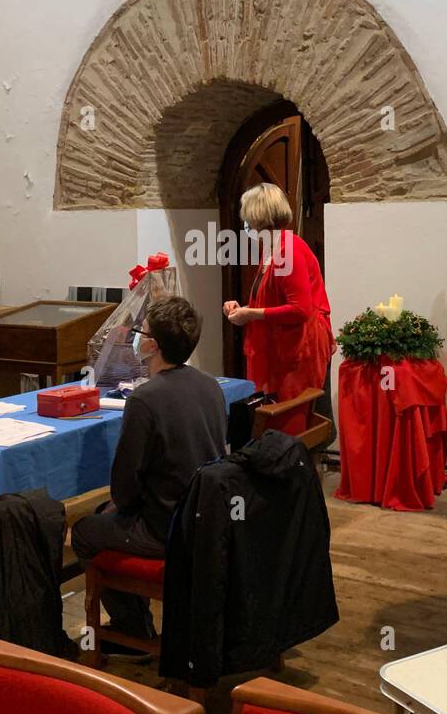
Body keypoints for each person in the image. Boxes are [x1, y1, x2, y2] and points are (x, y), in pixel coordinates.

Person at [71, 296, 226, 657]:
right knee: (102, 514)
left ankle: (132, 629)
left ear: (152, 344)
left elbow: (125, 487)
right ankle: (134, 621)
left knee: (82, 532)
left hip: (165, 527)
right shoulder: (210, 386)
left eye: (141, 332)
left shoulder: (145, 399)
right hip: (205, 517)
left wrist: (116, 507)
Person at [223, 182, 335, 435]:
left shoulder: (289, 250)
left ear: (257, 215)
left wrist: (250, 314)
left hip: (296, 352)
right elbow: (273, 300)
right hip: (283, 348)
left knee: (289, 425)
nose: (245, 223)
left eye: (246, 217)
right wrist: (242, 308)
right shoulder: (273, 249)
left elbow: (299, 309)